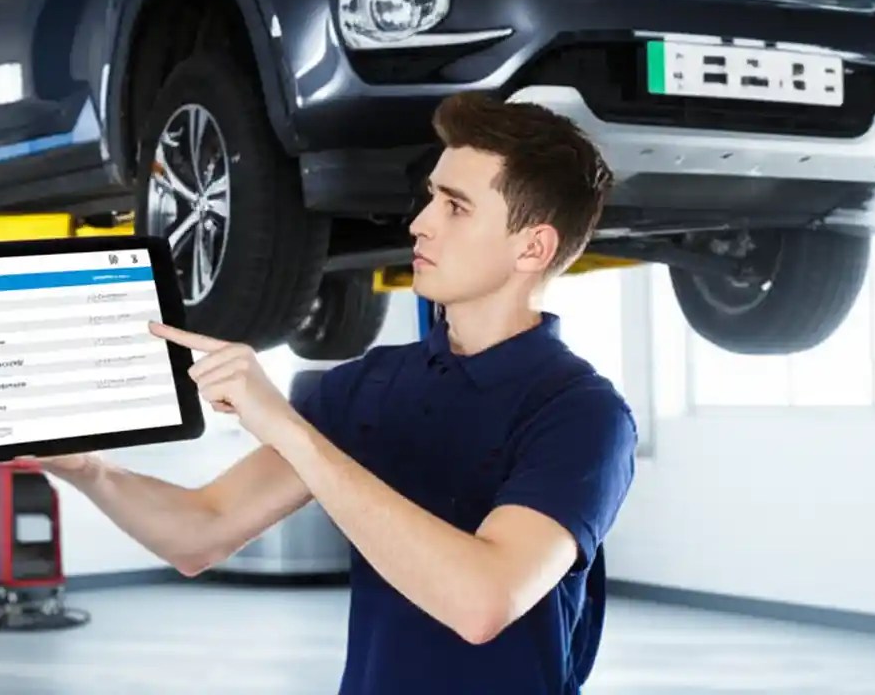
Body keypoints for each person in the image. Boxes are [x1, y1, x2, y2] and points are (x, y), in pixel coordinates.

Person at [40, 92, 637, 695]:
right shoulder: (371, 385)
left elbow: (483, 602)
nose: (421, 222)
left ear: (532, 247)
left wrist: (290, 431)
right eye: (432, 196)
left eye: (456, 208)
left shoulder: (582, 414)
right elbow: (202, 531)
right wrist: (88, 470)